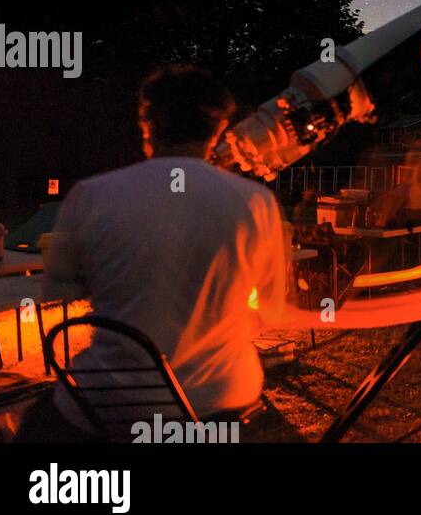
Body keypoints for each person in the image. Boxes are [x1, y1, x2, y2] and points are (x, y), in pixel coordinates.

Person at [17, 65, 287, 441]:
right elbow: (272, 309)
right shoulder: (258, 202)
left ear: (147, 126)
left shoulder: (89, 195)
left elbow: (58, 291)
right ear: (218, 129)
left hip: (110, 403)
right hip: (218, 407)